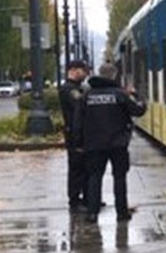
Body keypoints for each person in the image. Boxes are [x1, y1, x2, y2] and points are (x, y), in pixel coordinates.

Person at [76, 63, 147, 223]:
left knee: (94, 178)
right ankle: (121, 212)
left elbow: (78, 122)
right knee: (119, 178)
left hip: (94, 144)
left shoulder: (87, 96)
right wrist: (137, 96)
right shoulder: (119, 94)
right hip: (118, 144)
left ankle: (92, 213)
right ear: (114, 75)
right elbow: (138, 110)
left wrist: (79, 143)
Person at [58, 59, 90, 212]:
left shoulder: (79, 88)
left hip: (82, 132)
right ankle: (75, 201)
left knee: (85, 167)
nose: (85, 74)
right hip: (74, 134)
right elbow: (80, 103)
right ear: (74, 70)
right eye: (83, 71)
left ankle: (87, 198)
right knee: (76, 168)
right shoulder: (68, 89)